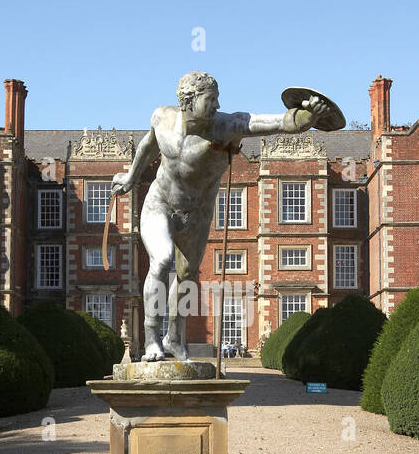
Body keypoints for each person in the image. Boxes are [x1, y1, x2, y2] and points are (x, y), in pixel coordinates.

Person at [112, 71, 331, 361]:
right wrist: (131, 176)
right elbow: (147, 145)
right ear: (188, 101)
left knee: (187, 275)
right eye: (210, 99)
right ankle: (152, 339)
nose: (217, 105)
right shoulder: (162, 117)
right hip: (160, 202)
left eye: (217, 98)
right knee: (163, 259)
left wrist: (305, 118)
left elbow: (276, 122)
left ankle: (174, 338)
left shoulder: (227, 125)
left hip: (197, 213)